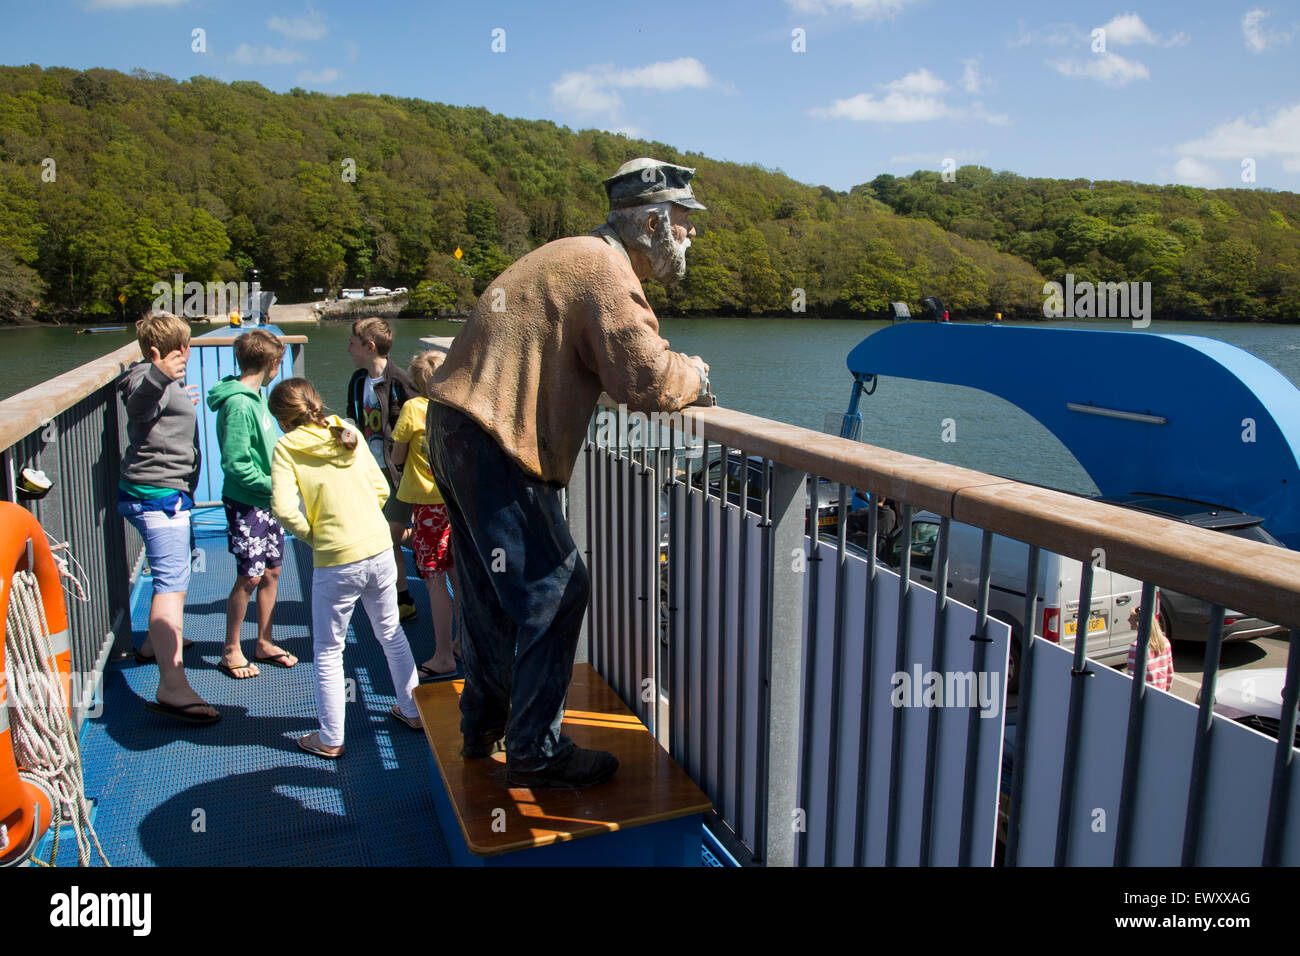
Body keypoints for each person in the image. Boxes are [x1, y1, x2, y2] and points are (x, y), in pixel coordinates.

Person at [426, 157, 711, 788]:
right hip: (497, 441)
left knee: (493, 597)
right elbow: (646, 379)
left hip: (455, 427)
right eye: (687, 223)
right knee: (558, 593)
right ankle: (535, 750)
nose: (693, 236)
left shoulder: (576, 254)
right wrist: (695, 373)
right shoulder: (605, 272)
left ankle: (485, 726)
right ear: (656, 222)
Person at [269, 378, 421, 759]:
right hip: (379, 547)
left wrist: (315, 537)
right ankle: (412, 709)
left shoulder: (286, 448)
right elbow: (381, 489)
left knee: (328, 650)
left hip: (337, 559)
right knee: (391, 632)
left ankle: (331, 737)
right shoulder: (347, 430)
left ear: (283, 420)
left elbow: (285, 510)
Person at [117, 311, 217, 724]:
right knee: (171, 585)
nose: (187, 354)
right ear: (160, 352)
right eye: (182, 348)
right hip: (158, 498)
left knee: (173, 578)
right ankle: (172, 686)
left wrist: (177, 395)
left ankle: (151, 647)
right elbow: (138, 405)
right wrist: (161, 376)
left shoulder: (159, 379)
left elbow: (155, 413)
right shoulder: (143, 377)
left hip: (165, 495)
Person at [205, 328, 297, 679]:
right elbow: (236, 464)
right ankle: (231, 649)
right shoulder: (240, 404)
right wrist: (275, 484)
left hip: (266, 501)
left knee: (272, 570)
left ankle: (264, 641)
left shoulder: (257, 396)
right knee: (250, 575)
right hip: (248, 503)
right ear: (273, 363)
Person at [345, 317, 418, 621]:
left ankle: (403, 598)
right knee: (382, 537)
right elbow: (354, 418)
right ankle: (396, 592)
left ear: (369, 346)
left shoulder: (400, 382)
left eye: (353, 342)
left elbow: (419, 425)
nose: (348, 348)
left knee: (389, 538)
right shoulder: (357, 382)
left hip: (396, 475)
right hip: (367, 472)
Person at [390, 350, 458, 680]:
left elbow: (398, 453)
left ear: (416, 380)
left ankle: (444, 655)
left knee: (434, 581)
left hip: (429, 507)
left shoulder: (413, 409)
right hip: (458, 504)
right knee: (460, 579)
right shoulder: (459, 406)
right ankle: (462, 644)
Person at [1127, 604, 1173, 692]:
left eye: (1131, 618)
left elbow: (1132, 678)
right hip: (1161, 693)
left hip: (1145, 696)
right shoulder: (1165, 642)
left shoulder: (1136, 647)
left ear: (1138, 623)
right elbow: (1170, 673)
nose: (1128, 620)